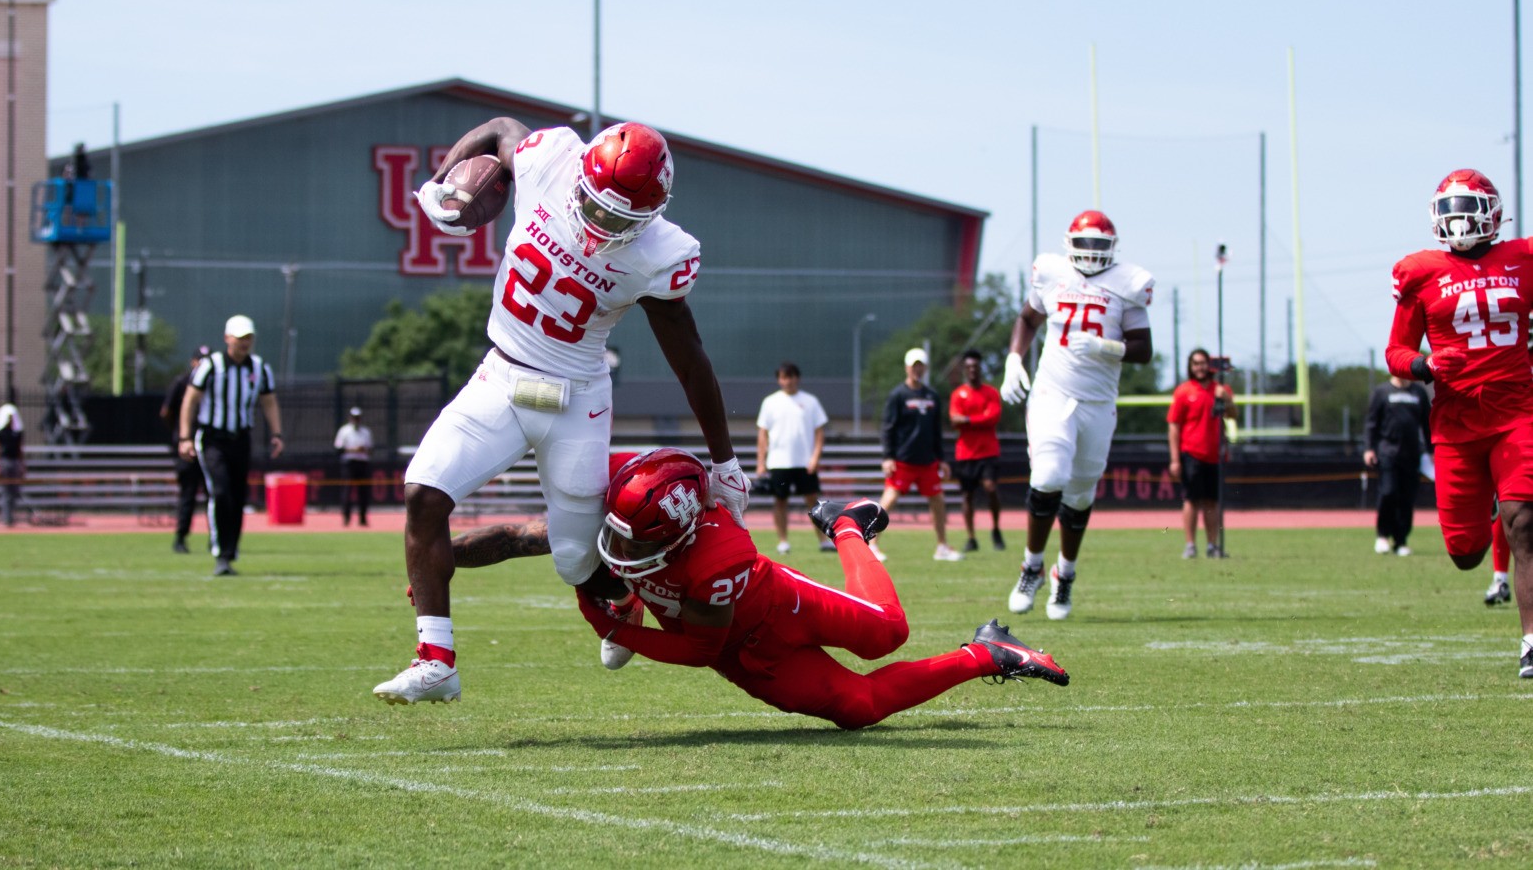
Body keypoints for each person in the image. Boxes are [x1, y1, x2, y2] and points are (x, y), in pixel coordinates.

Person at [372, 118, 746, 706]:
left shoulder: (658, 255)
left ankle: (620, 594)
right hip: (500, 376)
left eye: (622, 220)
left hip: (577, 400)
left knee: (574, 559)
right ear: (580, 182)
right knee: (423, 491)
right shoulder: (550, 160)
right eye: (597, 208)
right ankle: (435, 661)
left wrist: (725, 461)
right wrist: (443, 180)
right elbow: (499, 129)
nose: (601, 227)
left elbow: (689, 358)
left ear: (652, 214)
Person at [571, 449, 1067, 728]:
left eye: (642, 543)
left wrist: (615, 627)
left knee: (888, 632)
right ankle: (987, 654)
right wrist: (609, 591)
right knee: (859, 709)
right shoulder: (636, 483)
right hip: (743, 656)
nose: (623, 551)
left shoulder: (718, 559)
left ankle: (847, 525)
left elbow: (702, 648)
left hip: (776, 608)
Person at [1385, 169, 1533, 677]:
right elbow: (1396, 351)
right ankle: (1492, 501)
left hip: (1518, 412)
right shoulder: (1420, 270)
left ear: (1492, 210)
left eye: (1467, 205)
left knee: (1524, 523)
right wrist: (1423, 365)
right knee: (1466, 552)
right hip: (1456, 423)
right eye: (1448, 208)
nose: (1457, 217)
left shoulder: (1523, 256)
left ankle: (1531, 642)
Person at [1001, 210, 1155, 620]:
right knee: (1048, 476)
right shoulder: (1051, 272)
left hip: (1098, 403)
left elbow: (1144, 347)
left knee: (1081, 493)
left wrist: (1110, 348)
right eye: (1084, 243)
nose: (1090, 252)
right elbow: (1027, 317)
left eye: (1099, 245)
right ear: (1069, 243)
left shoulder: (1128, 283)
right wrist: (1014, 359)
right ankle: (1031, 566)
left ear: (1112, 248)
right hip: (1053, 393)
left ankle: (1064, 572)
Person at [178, 316, 284, 577]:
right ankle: (220, 553)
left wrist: (277, 433)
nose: (244, 343)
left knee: (237, 497)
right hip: (212, 438)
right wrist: (185, 437)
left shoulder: (259, 367)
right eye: (239, 338)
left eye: (248, 337)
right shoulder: (210, 366)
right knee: (221, 491)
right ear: (227, 338)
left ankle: (230, 552)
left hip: (241, 438)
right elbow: (190, 400)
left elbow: (268, 401)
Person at [877, 348, 959, 562]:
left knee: (938, 501)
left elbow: (936, 431)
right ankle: (871, 544)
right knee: (889, 500)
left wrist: (942, 459)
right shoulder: (898, 395)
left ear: (925, 367)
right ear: (907, 367)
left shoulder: (932, 396)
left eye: (921, 365)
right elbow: (888, 428)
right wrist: (888, 457)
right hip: (903, 460)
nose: (917, 369)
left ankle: (942, 546)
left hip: (928, 461)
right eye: (914, 365)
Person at [754, 361, 829, 554]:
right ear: (779, 380)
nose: (787, 381)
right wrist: (761, 462)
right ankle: (783, 542)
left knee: (813, 502)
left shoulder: (810, 401)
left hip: (805, 463)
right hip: (779, 462)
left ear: (797, 378)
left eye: (790, 377)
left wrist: (815, 458)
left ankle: (823, 541)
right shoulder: (770, 402)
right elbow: (762, 434)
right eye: (783, 377)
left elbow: (820, 432)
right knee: (780, 501)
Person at [1168, 349, 1234, 558]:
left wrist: (1227, 400)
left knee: (1212, 502)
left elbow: (1233, 415)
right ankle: (1190, 545)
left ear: (1209, 365)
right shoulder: (1183, 391)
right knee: (1191, 500)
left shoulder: (1220, 390)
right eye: (1196, 363)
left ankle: (1212, 545)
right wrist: (1175, 459)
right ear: (1190, 366)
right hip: (1191, 453)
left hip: (1214, 454)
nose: (1200, 367)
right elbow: (1174, 426)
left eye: (1203, 363)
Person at [1361, 373, 1431, 557]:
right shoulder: (1381, 392)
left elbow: (1427, 424)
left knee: (1407, 498)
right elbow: (1371, 423)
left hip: (1412, 454)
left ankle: (1401, 541)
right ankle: (1383, 535)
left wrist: (1432, 451)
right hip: (1387, 452)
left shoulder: (1419, 393)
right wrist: (1369, 448)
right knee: (1388, 492)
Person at [949, 349, 1004, 552]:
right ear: (965, 369)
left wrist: (969, 420)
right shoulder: (958, 394)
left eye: (976, 367)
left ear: (981, 368)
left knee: (990, 488)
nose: (973, 370)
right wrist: (979, 419)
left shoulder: (991, 393)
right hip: (966, 453)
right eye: (969, 367)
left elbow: (993, 417)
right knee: (967, 496)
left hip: (988, 451)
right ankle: (971, 537)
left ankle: (996, 529)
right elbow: (954, 420)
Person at [160, 345, 212, 554]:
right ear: (193, 362)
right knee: (188, 494)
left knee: (214, 496)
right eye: (200, 360)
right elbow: (166, 412)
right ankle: (181, 537)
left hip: (209, 446)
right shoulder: (182, 382)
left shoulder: (214, 382)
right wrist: (180, 435)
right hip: (187, 446)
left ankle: (216, 539)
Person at [334, 406, 375, 527]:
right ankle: (346, 518)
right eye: (354, 417)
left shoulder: (366, 432)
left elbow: (371, 449)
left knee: (364, 492)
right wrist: (354, 450)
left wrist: (363, 450)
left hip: (362, 463)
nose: (356, 420)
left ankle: (362, 518)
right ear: (350, 418)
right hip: (349, 464)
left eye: (358, 418)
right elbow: (339, 449)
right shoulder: (344, 431)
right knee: (346, 491)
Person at [0, 400, 26, 527]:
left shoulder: (17, 433)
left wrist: (22, 465)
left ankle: (11, 516)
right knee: (6, 491)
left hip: (15, 462)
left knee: (14, 491)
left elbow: (20, 450)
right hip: (5, 461)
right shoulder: (2, 433)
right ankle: (6, 518)